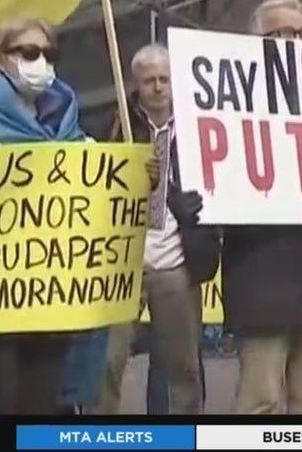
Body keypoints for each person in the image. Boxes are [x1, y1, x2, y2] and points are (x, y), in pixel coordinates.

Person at [223, 0, 302, 414]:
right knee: (261, 399)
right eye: (281, 35)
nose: (294, 42)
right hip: (262, 270)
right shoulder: (227, 106)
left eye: (301, 34)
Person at [0, 18, 86, 413]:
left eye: (49, 54)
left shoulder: (67, 120)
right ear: (0, 57)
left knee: (43, 407)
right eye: (30, 53)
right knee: (0, 405)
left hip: (51, 292)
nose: (42, 63)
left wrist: (140, 177)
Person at [90, 44, 218, 414]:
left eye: (164, 79)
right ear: (136, 84)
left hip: (176, 261)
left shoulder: (199, 125)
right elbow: (97, 183)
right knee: (108, 362)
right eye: (150, 81)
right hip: (123, 263)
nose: (159, 87)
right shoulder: (116, 124)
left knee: (183, 365)